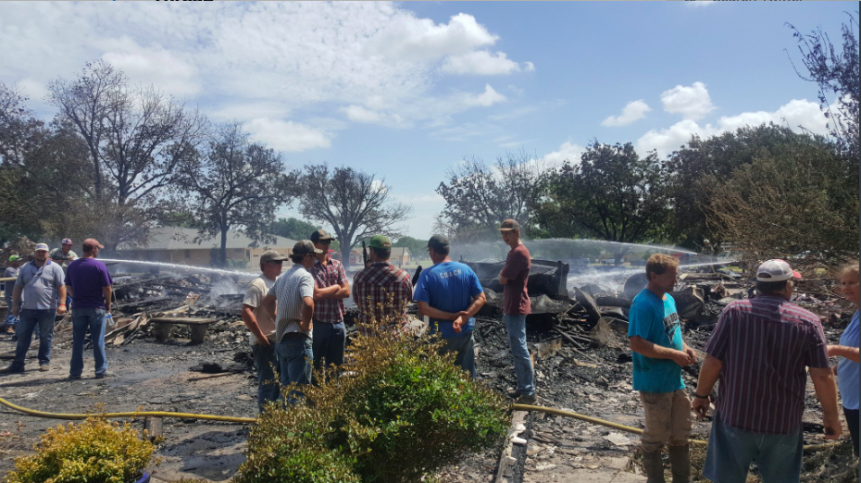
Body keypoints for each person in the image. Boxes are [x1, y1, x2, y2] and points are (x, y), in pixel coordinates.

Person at [693, 259, 841, 483]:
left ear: (758, 285)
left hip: (736, 416)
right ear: (788, 285)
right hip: (782, 423)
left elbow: (713, 361)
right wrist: (831, 417)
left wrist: (701, 395)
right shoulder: (808, 322)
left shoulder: (734, 312)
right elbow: (822, 374)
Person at [627, 254, 696, 483]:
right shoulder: (643, 303)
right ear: (654, 276)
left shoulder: (668, 299)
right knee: (655, 436)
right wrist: (674, 354)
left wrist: (685, 348)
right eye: (671, 276)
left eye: (676, 276)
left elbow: (672, 332)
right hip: (654, 382)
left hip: (674, 380)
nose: (675, 280)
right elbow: (637, 343)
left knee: (681, 434)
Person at [413, 235, 486, 378]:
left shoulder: (427, 275)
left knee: (442, 380)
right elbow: (481, 298)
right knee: (466, 378)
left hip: (440, 336)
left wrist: (451, 317)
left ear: (432, 251)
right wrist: (463, 318)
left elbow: (424, 309)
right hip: (465, 333)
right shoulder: (466, 270)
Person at [262, 240, 319, 402]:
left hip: (282, 341)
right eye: (314, 255)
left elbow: (267, 301)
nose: (315, 259)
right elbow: (308, 303)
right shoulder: (305, 276)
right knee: (298, 392)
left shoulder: (283, 277)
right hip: (298, 340)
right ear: (307, 256)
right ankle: (296, 427)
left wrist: (279, 319)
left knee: (286, 390)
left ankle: (283, 425)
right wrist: (306, 324)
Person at [0, 243, 67, 374]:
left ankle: (44, 361)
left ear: (48, 253)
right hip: (27, 309)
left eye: (43, 252)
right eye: (39, 252)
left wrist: (62, 304)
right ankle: (18, 364)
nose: (41, 253)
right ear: (35, 253)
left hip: (48, 309)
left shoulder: (55, 268)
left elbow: (61, 287)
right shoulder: (25, 268)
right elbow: (18, 286)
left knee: (45, 336)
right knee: (23, 336)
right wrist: (14, 305)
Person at [241, 250, 288, 412]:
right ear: (264, 265)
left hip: (278, 340)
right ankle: (266, 421)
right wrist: (260, 336)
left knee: (279, 383)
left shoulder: (278, 282)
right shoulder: (258, 285)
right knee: (268, 383)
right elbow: (246, 311)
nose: (279, 266)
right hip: (265, 342)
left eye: (281, 262)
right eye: (276, 262)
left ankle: (274, 419)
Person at [498, 219, 536, 404]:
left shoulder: (519, 253)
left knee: (520, 349)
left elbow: (503, 279)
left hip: (516, 306)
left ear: (517, 232)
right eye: (503, 233)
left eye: (508, 233)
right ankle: (523, 387)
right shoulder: (513, 251)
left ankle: (528, 392)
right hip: (513, 305)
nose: (505, 236)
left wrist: (502, 275)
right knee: (517, 348)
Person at [65, 238, 112, 380]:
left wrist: (76, 298)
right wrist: (108, 304)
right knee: (97, 340)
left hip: (78, 307)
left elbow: (68, 286)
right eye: (97, 248)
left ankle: (75, 372)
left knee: (78, 340)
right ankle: (100, 370)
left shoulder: (72, 266)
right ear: (94, 249)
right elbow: (107, 288)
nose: (98, 251)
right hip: (96, 307)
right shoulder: (99, 266)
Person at [827, 262, 859, 456]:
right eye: (843, 282)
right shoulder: (856, 314)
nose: (845, 287)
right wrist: (836, 369)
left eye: (853, 282)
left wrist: (834, 349)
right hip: (852, 400)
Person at [309, 229, 349, 378]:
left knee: (336, 365)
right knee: (315, 366)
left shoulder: (337, 265)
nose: (326, 245)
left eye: (328, 242)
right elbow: (315, 294)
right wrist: (336, 287)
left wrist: (325, 292)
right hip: (318, 322)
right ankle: (316, 398)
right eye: (323, 242)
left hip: (338, 322)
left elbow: (346, 292)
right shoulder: (309, 266)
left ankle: (333, 397)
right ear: (314, 244)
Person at [352, 235, 413, 332]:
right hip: (396, 337)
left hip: (368, 338)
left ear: (372, 252)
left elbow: (358, 303)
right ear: (389, 252)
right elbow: (408, 300)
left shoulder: (359, 277)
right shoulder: (404, 277)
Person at [50, 238, 77, 309]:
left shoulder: (73, 254)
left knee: (68, 295)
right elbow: (47, 260)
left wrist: (72, 261)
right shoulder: (54, 251)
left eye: (70, 245)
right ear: (63, 245)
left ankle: (67, 310)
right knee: (55, 294)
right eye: (67, 245)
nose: (69, 247)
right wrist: (56, 261)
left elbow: (78, 265)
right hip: (54, 278)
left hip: (67, 278)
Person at [3, 255, 21, 335]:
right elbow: (17, 280)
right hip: (11, 295)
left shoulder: (19, 269)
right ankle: (9, 327)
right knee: (11, 311)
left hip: (19, 295)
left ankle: (16, 327)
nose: (19, 262)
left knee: (18, 311)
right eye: (17, 260)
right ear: (12, 262)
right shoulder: (9, 270)